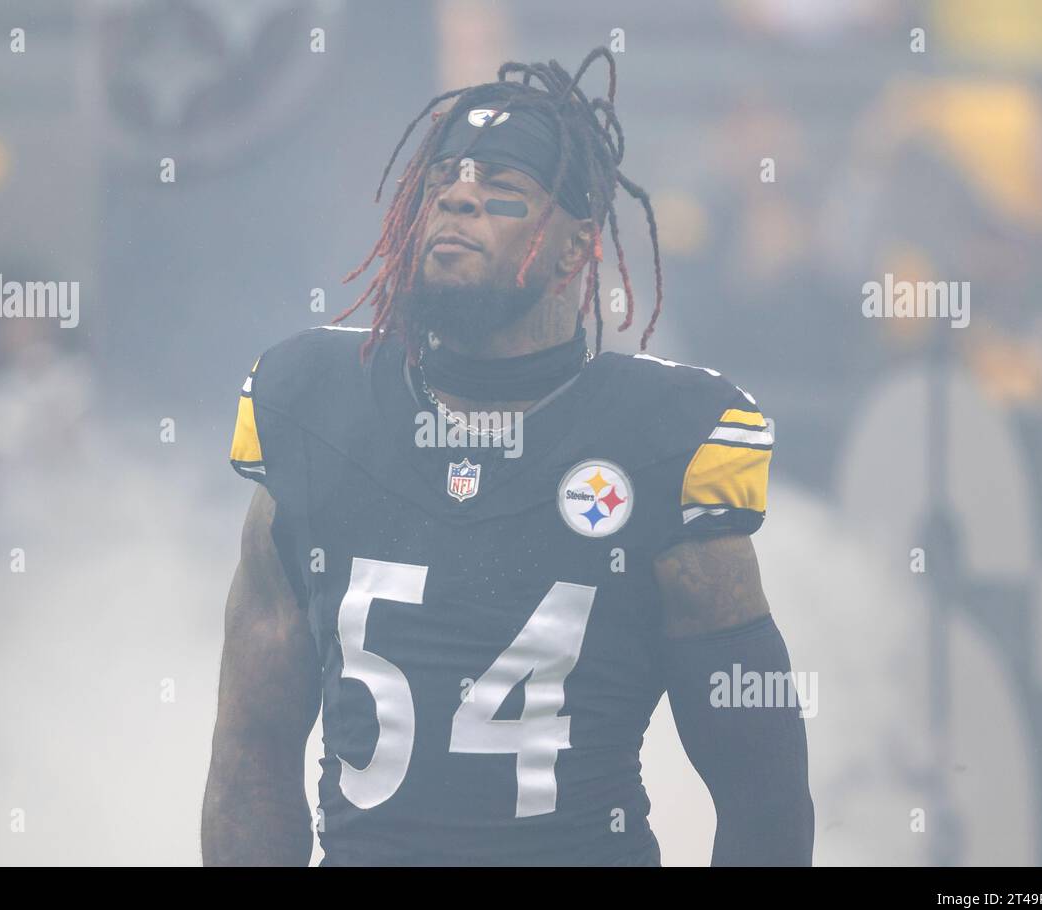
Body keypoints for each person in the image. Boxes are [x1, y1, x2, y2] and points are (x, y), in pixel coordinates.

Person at [202, 49, 813, 866]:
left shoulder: (662, 441)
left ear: (574, 252)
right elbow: (251, 760)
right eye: (444, 184)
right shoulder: (314, 408)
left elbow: (764, 799)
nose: (457, 197)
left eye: (501, 194)